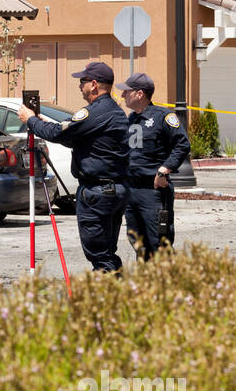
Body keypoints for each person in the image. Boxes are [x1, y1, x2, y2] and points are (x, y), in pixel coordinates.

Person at [17, 61, 129, 273]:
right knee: (106, 251)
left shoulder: (94, 112)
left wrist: (31, 120)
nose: (80, 86)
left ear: (94, 84)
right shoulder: (114, 111)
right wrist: (40, 121)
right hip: (115, 190)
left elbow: (59, 133)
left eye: (83, 81)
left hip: (97, 192)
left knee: (99, 254)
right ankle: (117, 295)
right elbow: (72, 136)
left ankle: (108, 299)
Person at [118, 72, 190, 259]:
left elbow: (182, 145)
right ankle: (146, 284)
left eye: (126, 91)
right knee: (137, 241)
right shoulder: (132, 118)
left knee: (159, 241)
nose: (122, 95)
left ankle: (168, 284)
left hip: (153, 190)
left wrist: (164, 170)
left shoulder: (163, 116)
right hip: (132, 190)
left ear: (139, 94)